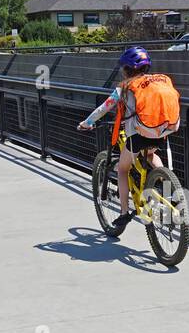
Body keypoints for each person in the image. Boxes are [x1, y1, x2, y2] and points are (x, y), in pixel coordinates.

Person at [76, 46, 181, 231]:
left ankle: (124, 213)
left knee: (123, 169)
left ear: (127, 69)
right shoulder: (159, 80)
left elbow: (104, 108)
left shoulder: (124, 87)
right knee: (150, 155)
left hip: (139, 135)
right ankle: (169, 185)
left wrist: (87, 122)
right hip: (162, 131)